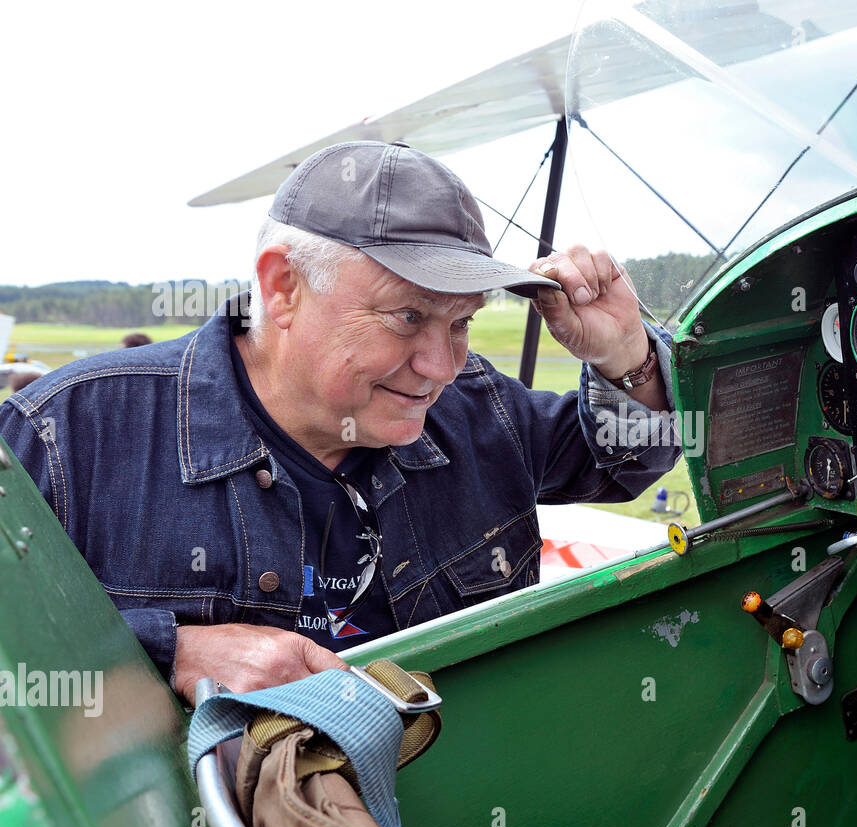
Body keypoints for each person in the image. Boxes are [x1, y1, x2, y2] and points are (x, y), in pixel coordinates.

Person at [0, 141, 679, 704]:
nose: (441, 365)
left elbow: (622, 461)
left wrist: (626, 358)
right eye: (408, 316)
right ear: (283, 287)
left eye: (462, 322)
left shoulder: (476, 406)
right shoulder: (65, 438)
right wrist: (166, 650)